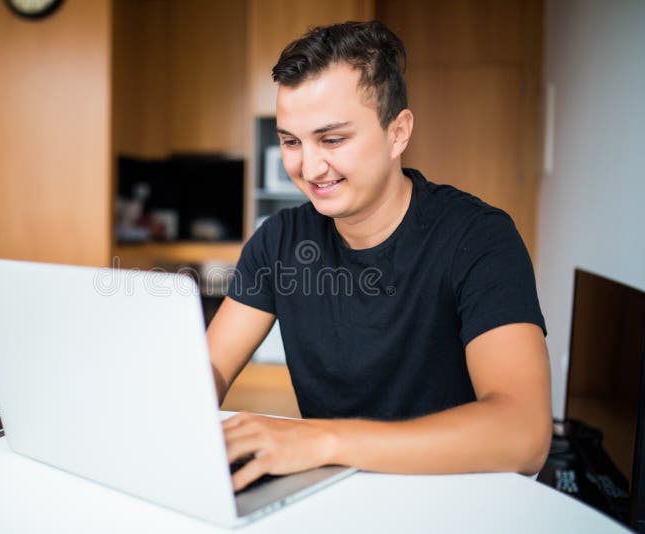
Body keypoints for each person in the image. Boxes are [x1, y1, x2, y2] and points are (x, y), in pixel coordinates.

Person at [205, 21, 552, 492]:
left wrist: (323, 439)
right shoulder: (280, 242)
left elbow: (524, 435)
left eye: (332, 139)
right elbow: (213, 367)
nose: (307, 168)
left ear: (398, 133)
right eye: (290, 141)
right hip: (334, 501)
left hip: (454, 499)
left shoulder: (479, 237)